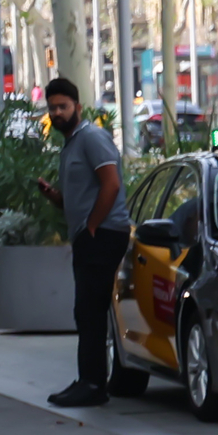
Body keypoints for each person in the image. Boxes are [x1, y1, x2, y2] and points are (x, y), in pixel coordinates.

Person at [33, 76, 133, 408]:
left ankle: (92, 385)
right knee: (86, 311)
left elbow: (112, 184)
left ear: (78, 107)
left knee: (89, 310)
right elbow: (81, 196)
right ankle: (88, 379)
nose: (58, 112)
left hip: (103, 234)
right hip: (89, 235)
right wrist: (54, 196)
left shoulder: (92, 138)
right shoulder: (72, 144)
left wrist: (92, 226)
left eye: (63, 106)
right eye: (52, 108)